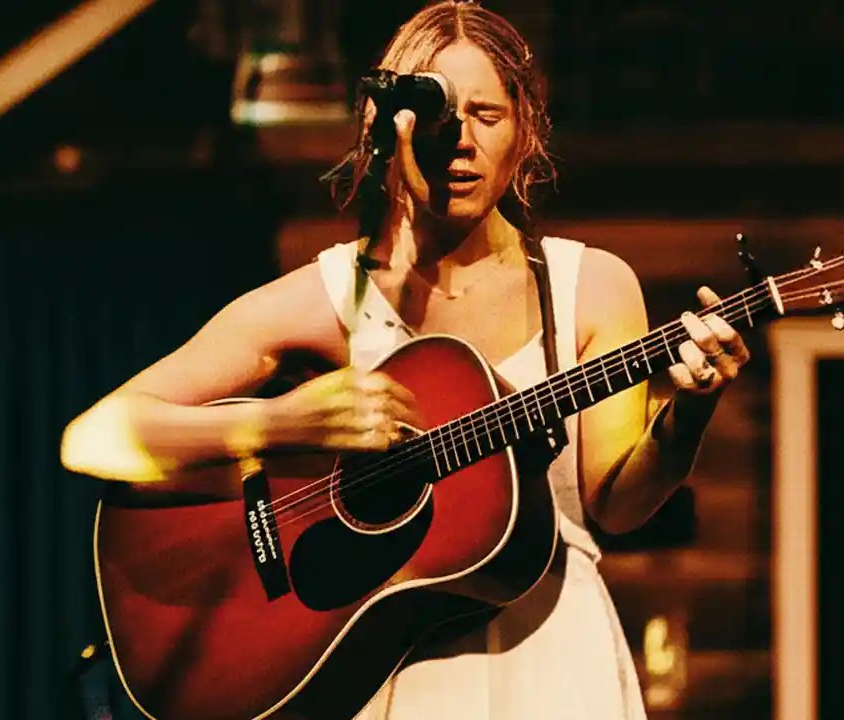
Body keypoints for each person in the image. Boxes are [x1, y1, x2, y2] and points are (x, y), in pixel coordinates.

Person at [59, 1, 750, 718]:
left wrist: (689, 415)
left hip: (553, 662)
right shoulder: (327, 297)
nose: (463, 142)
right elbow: (95, 437)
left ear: (525, 132)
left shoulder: (589, 287)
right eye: (440, 113)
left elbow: (619, 503)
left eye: (488, 115)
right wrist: (277, 425)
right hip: (388, 674)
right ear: (384, 125)